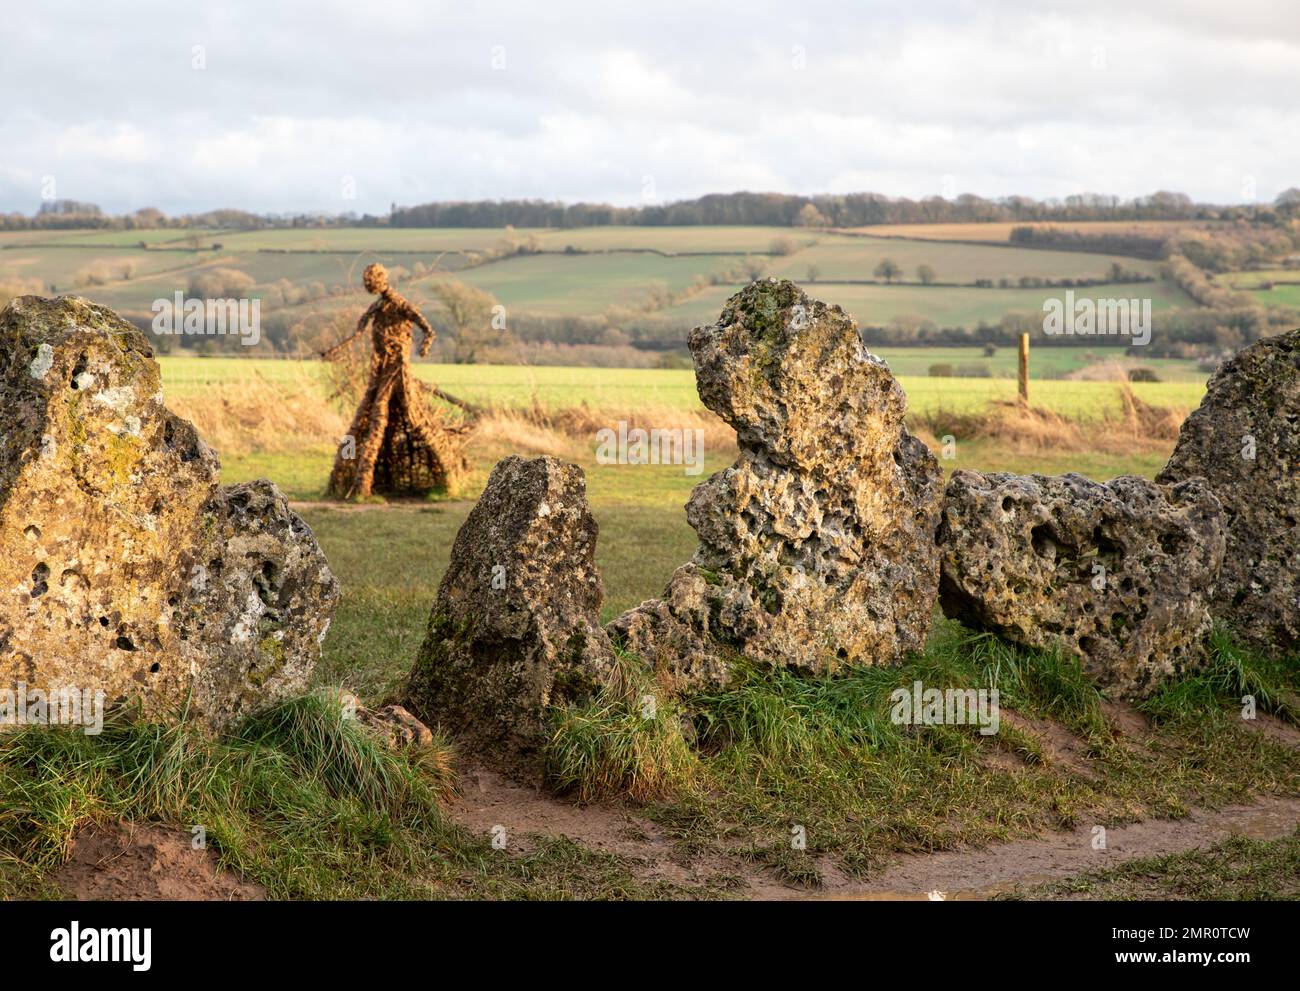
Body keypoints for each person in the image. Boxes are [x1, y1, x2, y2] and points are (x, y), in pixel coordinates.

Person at [320, 262, 443, 499]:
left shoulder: (399, 305)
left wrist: (423, 346)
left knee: (380, 417)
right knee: (364, 421)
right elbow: (357, 333)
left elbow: (428, 329)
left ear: (380, 281)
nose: (369, 286)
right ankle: (349, 483)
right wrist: (334, 351)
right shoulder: (377, 307)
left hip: (396, 370)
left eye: (371, 282)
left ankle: (361, 486)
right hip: (379, 373)